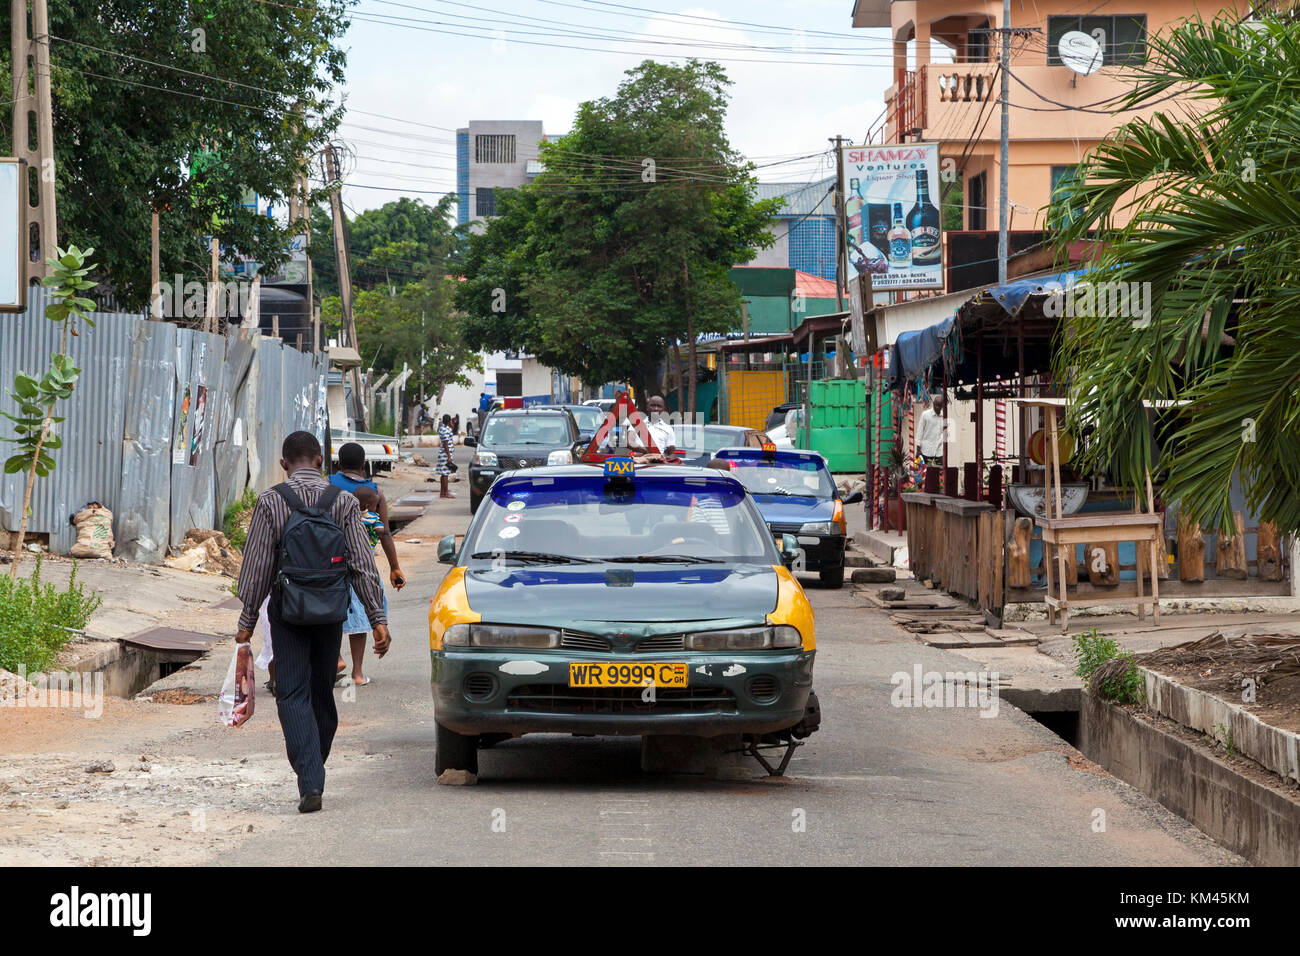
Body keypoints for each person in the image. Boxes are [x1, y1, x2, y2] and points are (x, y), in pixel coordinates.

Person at [235, 431, 390, 814]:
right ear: (321, 461)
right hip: (331, 611)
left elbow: (257, 566)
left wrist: (247, 620)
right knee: (321, 691)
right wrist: (377, 618)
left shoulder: (271, 500)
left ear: (284, 464)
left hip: (287, 612)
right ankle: (313, 767)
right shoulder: (343, 501)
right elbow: (361, 563)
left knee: (291, 693)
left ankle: (309, 776)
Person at [329, 442, 406, 684]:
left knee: (330, 613)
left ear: (338, 464)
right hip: (364, 564)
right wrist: (395, 567)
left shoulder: (329, 485)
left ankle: (336, 657)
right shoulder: (375, 492)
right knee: (361, 616)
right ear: (364, 465)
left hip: (332, 561)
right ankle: (358, 673)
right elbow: (384, 534)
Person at [916, 392, 947, 468]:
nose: (936, 407)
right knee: (927, 475)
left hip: (939, 452)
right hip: (926, 451)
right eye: (935, 405)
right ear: (933, 404)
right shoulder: (925, 415)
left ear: (942, 406)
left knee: (940, 475)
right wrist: (918, 450)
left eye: (939, 406)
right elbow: (919, 432)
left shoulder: (944, 416)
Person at [434, 413, 456, 499]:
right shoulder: (447, 430)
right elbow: (446, 443)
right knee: (446, 474)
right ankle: (446, 493)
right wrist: (449, 456)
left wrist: (451, 425)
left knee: (443, 474)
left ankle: (442, 492)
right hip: (446, 454)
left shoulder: (442, 429)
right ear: (449, 421)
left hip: (442, 453)